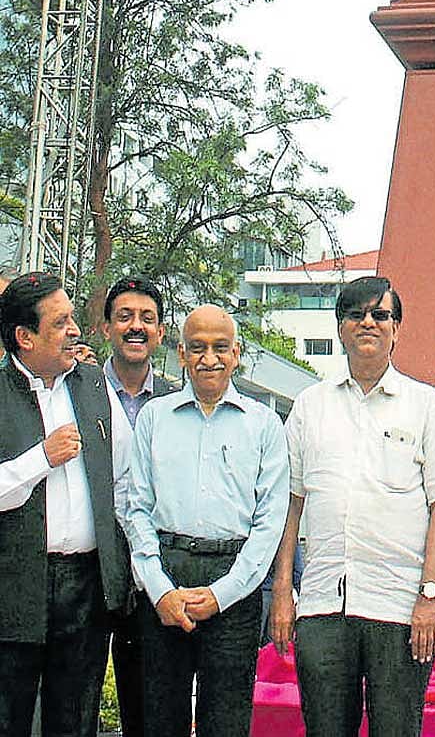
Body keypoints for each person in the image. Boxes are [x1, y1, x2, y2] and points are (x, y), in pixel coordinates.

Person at [270, 276, 435, 737]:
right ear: (340, 327)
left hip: (398, 609)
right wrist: (283, 591)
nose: (368, 324)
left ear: (396, 328)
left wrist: (430, 596)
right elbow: (291, 504)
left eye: (381, 315)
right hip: (321, 606)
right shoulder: (309, 406)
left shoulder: (426, 406)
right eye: (357, 314)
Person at [125, 304, 289, 737]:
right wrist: (159, 589)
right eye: (197, 347)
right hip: (166, 575)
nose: (209, 358)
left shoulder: (264, 425)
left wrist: (223, 593)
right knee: (160, 718)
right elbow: (135, 507)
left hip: (234, 583)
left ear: (236, 354)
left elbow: (269, 522)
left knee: (227, 721)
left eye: (220, 347)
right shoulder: (153, 418)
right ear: (181, 353)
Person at [0, 272, 131, 737]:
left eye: (72, 317)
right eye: (61, 322)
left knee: (75, 721)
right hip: (14, 587)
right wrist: (40, 458)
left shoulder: (94, 386)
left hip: (84, 587)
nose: (76, 329)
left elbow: (125, 475)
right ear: (25, 337)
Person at [100, 276, 173, 737]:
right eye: (124, 317)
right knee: (74, 690)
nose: (136, 327)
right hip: (88, 565)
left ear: (162, 332)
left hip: (151, 571)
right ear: (106, 326)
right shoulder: (79, 390)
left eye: (147, 319)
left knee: (146, 699)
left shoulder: (176, 402)